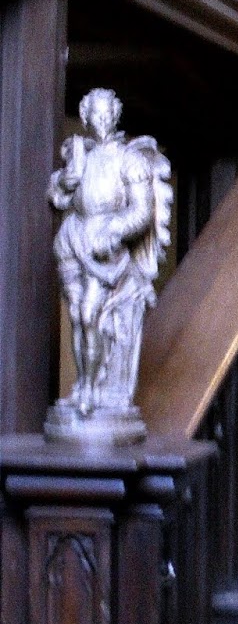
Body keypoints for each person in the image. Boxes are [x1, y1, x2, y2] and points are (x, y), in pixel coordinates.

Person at [48, 88, 172, 432]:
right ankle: (84, 387)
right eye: (95, 115)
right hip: (74, 239)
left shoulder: (129, 159)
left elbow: (142, 212)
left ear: (115, 116)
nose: (101, 121)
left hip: (106, 247)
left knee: (90, 314)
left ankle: (93, 392)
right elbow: (60, 193)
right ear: (86, 118)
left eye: (107, 114)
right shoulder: (81, 153)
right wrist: (69, 174)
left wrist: (114, 231)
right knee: (77, 315)